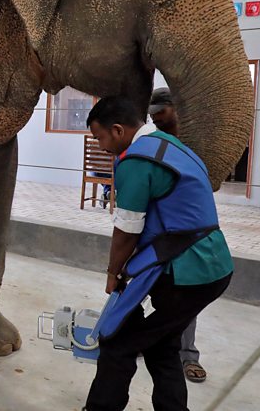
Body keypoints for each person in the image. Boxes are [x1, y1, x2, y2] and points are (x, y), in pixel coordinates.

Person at [84, 96, 233, 411]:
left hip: (187, 271)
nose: (99, 145)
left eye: (99, 137)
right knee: (163, 346)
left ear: (117, 130)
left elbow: (127, 229)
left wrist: (113, 274)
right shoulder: (170, 145)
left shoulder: (138, 160)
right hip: (212, 267)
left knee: (118, 342)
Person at [148, 87, 206, 384]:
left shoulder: (193, 145)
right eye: (153, 112)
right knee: (144, 287)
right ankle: (139, 341)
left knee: (185, 294)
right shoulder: (152, 143)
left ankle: (187, 356)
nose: (156, 116)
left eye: (162, 110)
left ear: (177, 109)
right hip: (156, 227)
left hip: (187, 231)